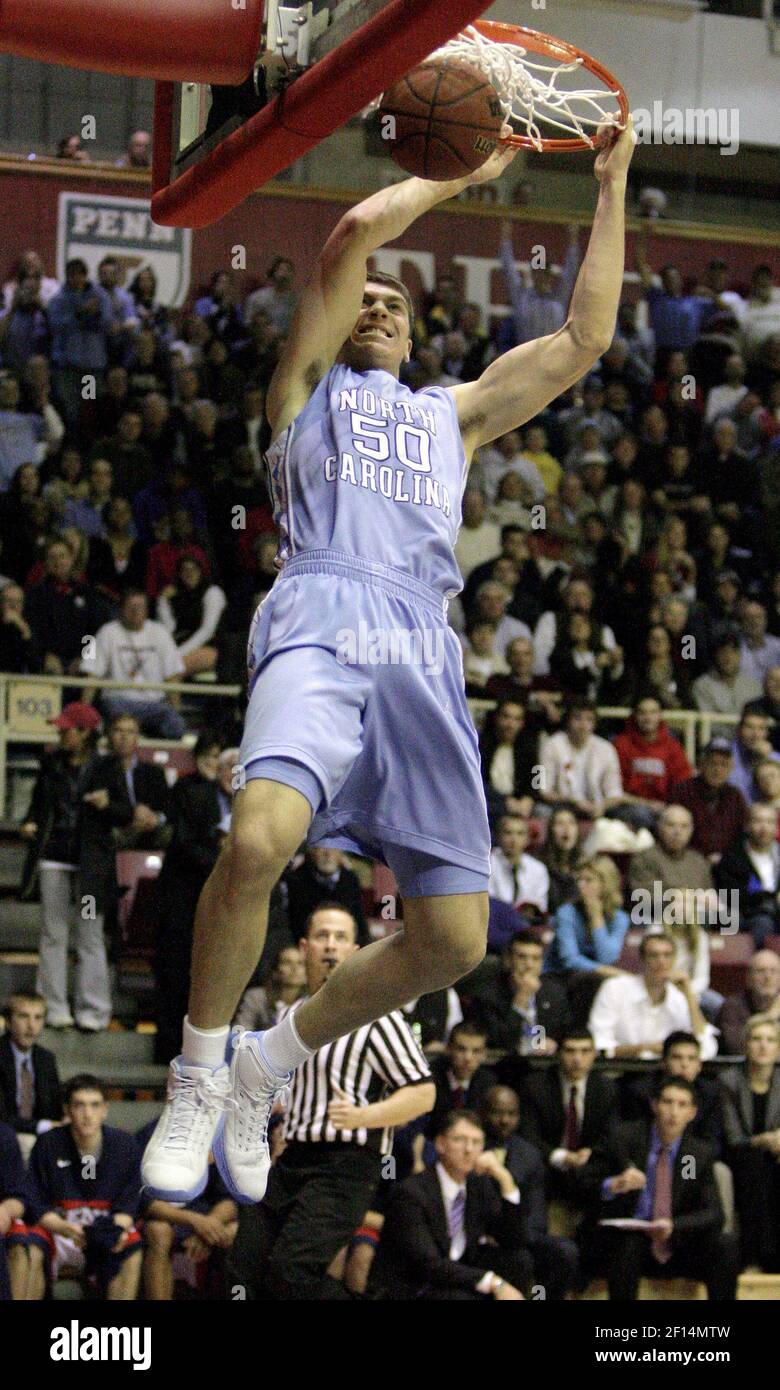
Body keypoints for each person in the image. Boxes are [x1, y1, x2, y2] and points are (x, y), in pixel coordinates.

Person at [142, 117, 637, 1204]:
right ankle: (198, 1068)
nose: (378, 302)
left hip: (422, 641)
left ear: (418, 340)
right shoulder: (306, 398)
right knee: (261, 833)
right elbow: (354, 232)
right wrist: (472, 167)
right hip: (323, 607)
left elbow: (583, 340)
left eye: (397, 305)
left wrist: (612, 184)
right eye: (368, 297)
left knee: (457, 938)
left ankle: (271, 1060)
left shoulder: (450, 419)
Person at [226, 905, 434, 1299]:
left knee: (292, 1272)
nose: (330, 946)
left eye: (340, 938)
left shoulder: (380, 1016)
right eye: (322, 936)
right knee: (244, 1265)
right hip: (290, 1159)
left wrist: (364, 1115)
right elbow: (284, 1086)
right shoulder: (289, 1014)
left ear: (356, 951)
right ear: (304, 948)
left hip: (346, 1165)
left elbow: (424, 1093)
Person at [589, 1077, 738, 1300]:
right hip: (633, 1241)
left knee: (725, 1244)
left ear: (692, 1113)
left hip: (679, 1241)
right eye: (667, 1102)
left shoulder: (697, 1154)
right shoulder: (624, 1138)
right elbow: (585, 1182)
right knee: (626, 1244)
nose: (673, 1112)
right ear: (654, 1105)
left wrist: (673, 1226)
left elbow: (714, 1213)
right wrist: (614, 1184)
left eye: (682, 1105)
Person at [371, 1109, 529, 1300]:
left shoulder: (478, 1185)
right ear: (440, 1144)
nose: (469, 1149)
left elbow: (513, 1239)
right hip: (414, 1285)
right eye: (460, 1140)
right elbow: (427, 1264)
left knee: (520, 1260)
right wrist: (493, 1282)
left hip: (454, 1278)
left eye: (476, 1142)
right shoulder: (411, 1192)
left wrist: (505, 1180)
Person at [10, 1074, 142, 1301]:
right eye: (79, 1105)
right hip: (58, 1229)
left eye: (94, 1105)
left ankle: (117, 1336)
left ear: (105, 1110)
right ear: (67, 1110)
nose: (87, 1114)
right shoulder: (48, 1143)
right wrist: (64, 1228)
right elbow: (34, 1202)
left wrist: (112, 1231)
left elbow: (129, 1207)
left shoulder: (125, 1145)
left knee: (132, 1244)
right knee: (30, 1246)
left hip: (104, 1230)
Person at [18, 702, 108, 1030]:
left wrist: (108, 804)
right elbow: (37, 805)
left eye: (66, 728)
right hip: (54, 859)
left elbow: (125, 811)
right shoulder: (51, 763)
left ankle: (93, 1009)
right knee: (53, 934)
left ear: (85, 733)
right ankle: (53, 1006)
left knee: (89, 934)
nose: (60, 732)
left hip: (89, 870)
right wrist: (30, 822)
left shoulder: (106, 767)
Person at [152, 735, 231, 1063]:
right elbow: (183, 844)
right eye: (225, 767)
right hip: (183, 904)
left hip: (225, 912)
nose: (230, 773)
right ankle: (170, 1053)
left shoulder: (252, 802)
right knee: (177, 977)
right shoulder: (192, 792)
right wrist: (229, 863)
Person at [481, 1084, 579, 1299]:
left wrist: (518, 1236)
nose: (505, 1120)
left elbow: (536, 1213)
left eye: (511, 1114)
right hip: (482, 1239)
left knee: (564, 1252)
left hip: (521, 1235)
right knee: (520, 1259)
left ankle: (541, 1298)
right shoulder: (472, 1146)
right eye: (497, 1112)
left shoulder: (529, 1154)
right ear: (484, 1113)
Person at [137, 1125, 238, 1300]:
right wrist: (195, 1222)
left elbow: (230, 1198)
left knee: (235, 1231)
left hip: (207, 1215)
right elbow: (145, 1201)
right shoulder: (147, 1136)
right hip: (166, 1216)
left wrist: (209, 1227)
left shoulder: (219, 1137)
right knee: (158, 1229)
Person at [519, 1029, 618, 1205]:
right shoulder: (536, 1087)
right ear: (558, 1053)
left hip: (590, 1170)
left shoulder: (607, 1089)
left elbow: (612, 1135)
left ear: (594, 1054)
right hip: (548, 1169)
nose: (577, 1059)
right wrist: (563, 1157)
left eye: (585, 1051)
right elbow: (529, 1136)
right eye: (570, 1051)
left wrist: (592, 1153)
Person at [588, 930, 718, 1060]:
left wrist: (689, 995)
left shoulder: (679, 997)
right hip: (620, 1071)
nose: (661, 961)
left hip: (666, 1074)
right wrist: (645, 1049)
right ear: (642, 959)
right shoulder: (615, 988)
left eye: (667, 955)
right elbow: (599, 1046)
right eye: (654, 955)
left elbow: (706, 1049)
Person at [81, 587, 186, 739]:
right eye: (131, 607)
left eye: (140, 607)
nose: (136, 611)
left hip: (154, 703)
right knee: (115, 713)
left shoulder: (160, 632)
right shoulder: (106, 631)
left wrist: (176, 711)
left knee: (176, 725)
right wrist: (83, 714)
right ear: (121, 609)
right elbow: (92, 674)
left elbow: (173, 675)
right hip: (118, 700)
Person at [719, 1015, 780, 1271]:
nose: (763, 1046)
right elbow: (734, 1137)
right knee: (755, 1166)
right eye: (756, 1039)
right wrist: (767, 1140)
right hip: (740, 1155)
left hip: (774, 1154)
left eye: (770, 1040)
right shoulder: (729, 1080)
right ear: (745, 1044)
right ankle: (757, 1256)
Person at [544, 858, 629, 1026]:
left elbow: (608, 957)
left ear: (606, 884)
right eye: (579, 880)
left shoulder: (620, 918)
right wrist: (604, 970)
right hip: (559, 976)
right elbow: (569, 959)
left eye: (588, 880)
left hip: (595, 980)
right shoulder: (566, 913)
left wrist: (596, 918)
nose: (581, 885)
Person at [468, 929, 570, 1058]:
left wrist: (554, 1044)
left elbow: (566, 1035)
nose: (529, 965)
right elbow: (498, 1043)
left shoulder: (555, 993)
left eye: (536, 958)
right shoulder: (488, 996)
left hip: (544, 1067)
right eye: (522, 957)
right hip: (503, 1067)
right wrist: (521, 1000)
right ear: (508, 960)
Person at [623, 1031, 722, 1152]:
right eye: (677, 1057)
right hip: (646, 1157)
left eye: (691, 1058)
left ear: (699, 1065)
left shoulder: (709, 1093)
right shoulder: (640, 1092)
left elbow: (711, 1141)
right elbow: (629, 1136)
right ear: (663, 1062)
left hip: (691, 1158)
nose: (684, 1064)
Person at [538, 699, 626, 822]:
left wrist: (600, 806)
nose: (583, 725)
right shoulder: (550, 745)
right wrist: (574, 802)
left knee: (634, 814)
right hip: (563, 805)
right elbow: (542, 789)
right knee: (540, 810)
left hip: (598, 807)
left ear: (595, 724)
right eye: (577, 718)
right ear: (568, 721)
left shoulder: (607, 748)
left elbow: (615, 793)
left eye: (589, 719)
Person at [613, 694, 692, 819]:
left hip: (665, 809)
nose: (648, 718)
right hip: (629, 807)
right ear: (635, 716)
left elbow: (683, 785)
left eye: (653, 712)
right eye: (642, 713)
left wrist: (668, 807)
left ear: (660, 715)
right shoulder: (620, 745)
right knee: (641, 814)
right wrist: (647, 804)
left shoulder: (673, 747)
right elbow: (614, 790)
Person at [671, 738, 749, 862]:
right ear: (701, 764)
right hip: (684, 861)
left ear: (730, 768)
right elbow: (670, 832)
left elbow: (742, 837)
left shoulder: (735, 796)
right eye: (712, 763)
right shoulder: (683, 791)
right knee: (658, 881)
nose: (717, 770)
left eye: (723, 764)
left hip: (726, 864)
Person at [716, 800, 780, 948]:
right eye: (758, 821)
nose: (764, 828)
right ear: (747, 825)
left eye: (770, 822)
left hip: (775, 913)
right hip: (746, 914)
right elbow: (732, 896)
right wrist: (771, 898)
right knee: (762, 922)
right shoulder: (732, 857)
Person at [0, 992, 63, 1138]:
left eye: (38, 1018)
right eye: (23, 1016)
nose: (31, 1025)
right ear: (8, 1022)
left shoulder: (46, 1058)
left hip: (41, 1136)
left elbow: (54, 1108)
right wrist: (42, 1125)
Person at [156, 550, 227, 678]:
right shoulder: (177, 596)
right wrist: (163, 602)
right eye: (185, 570)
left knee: (170, 670)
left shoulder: (213, 593)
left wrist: (178, 654)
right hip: (180, 647)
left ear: (201, 571)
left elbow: (207, 631)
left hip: (210, 647)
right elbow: (169, 629)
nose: (189, 574)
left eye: (194, 569)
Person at [426, 1020, 497, 1136]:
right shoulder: (430, 1078)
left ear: (484, 1054)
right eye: (461, 1049)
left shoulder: (489, 1083)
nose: (468, 1058)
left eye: (476, 1051)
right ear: (448, 1049)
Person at [285, 845, 368, 942]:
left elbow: (360, 924)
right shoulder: (295, 880)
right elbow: (287, 924)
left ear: (342, 853)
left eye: (333, 846)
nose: (328, 853)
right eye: (322, 846)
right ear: (311, 851)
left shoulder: (351, 880)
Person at [478, 699, 539, 825]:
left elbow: (538, 778)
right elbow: (478, 781)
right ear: (497, 718)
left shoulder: (530, 747)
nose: (510, 724)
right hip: (491, 801)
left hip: (520, 803)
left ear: (522, 723)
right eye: (506, 717)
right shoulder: (481, 745)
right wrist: (505, 800)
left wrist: (529, 799)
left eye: (517, 719)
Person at [718, 950, 780, 1056]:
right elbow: (736, 1048)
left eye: (774, 971)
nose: (768, 977)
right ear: (749, 977)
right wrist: (770, 1017)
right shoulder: (733, 1006)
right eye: (761, 971)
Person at [234, 945, 306, 1033]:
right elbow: (239, 1034)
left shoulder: (310, 1001)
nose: (294, 968)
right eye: (287, 962)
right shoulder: (256, 997)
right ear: (275, 971)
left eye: (300, 963)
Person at [488, 814, 549, 916]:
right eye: (508, 833)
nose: (514, 840)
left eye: (520, 833)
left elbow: (539, 907)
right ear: (499, 836)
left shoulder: (538, 869)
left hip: (526, 925)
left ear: (527, 838)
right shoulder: (488, 864)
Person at [728, 707, 780, 805]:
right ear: (739, 730)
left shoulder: (776, 759)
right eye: (750, 727)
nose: (755, 734)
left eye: (761, 728)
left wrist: (766, 759)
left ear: (766, 732)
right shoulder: (727, 756)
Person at [536, 805, 581, 913]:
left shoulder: (585, 864)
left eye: (571, 823)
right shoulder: (539, 865)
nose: (567, 828)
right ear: (551, 830)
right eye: (560, 823)